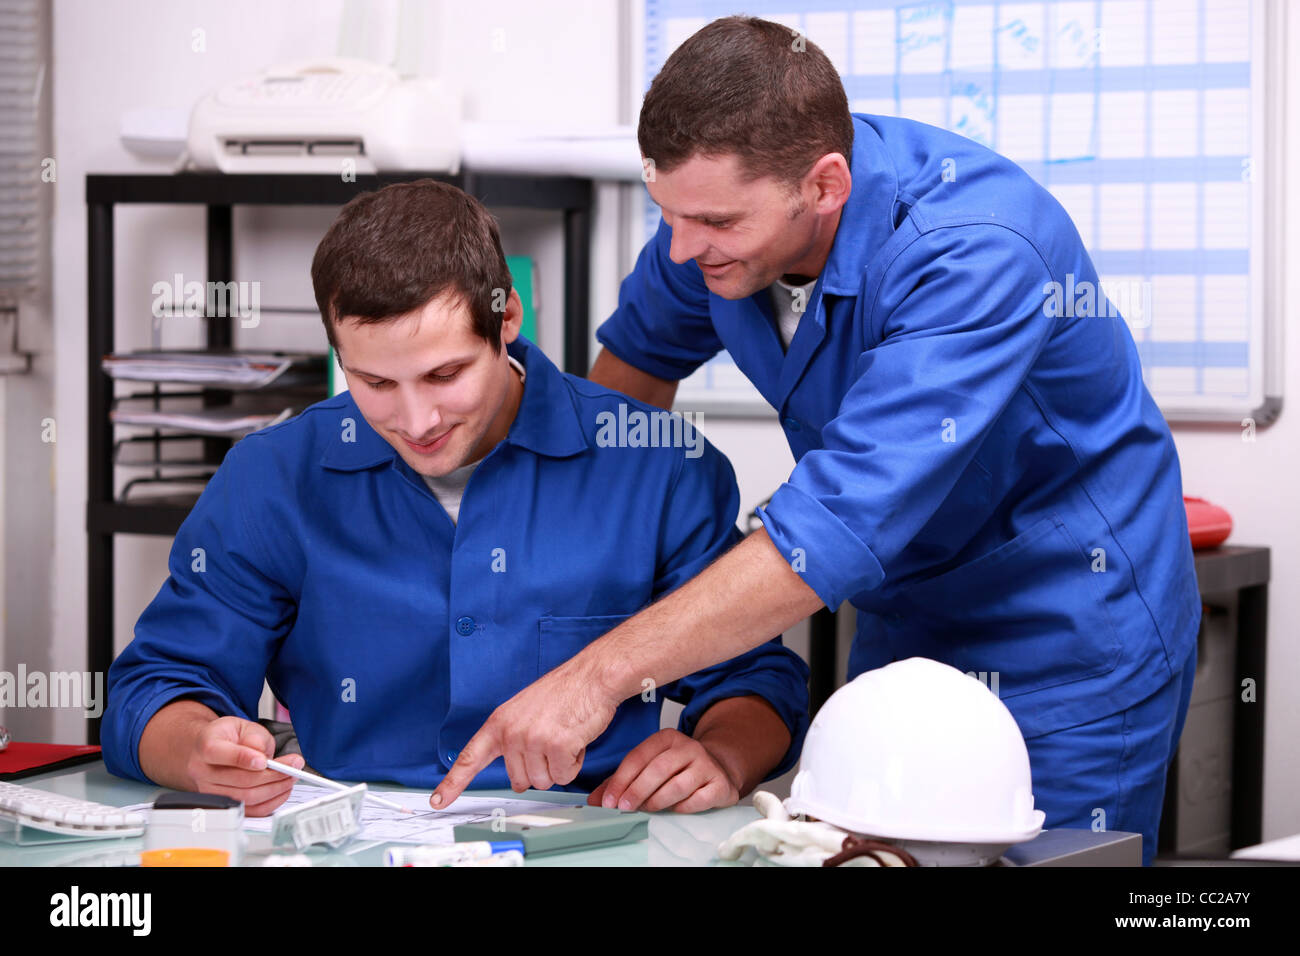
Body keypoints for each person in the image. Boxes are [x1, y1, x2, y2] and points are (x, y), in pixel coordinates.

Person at [431, 16, 1200, 866]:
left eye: (713, 222)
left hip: (1067, 635)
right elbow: (624, 391)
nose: (681, 249)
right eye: (667, 214)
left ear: (825, 186)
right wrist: (558, 574)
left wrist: (593, 677)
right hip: (905, 619)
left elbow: (830, 531)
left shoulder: (973, 250)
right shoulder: (711, 232)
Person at [101, 178, 809, 816]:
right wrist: (197, 748)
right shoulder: (271, 476)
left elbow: (755, 678)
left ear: (507, 320)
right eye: (374, 384)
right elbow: (149, 692)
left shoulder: (659, 467)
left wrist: (721, 756)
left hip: (587, 842)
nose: (416, 422)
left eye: (444, 375)